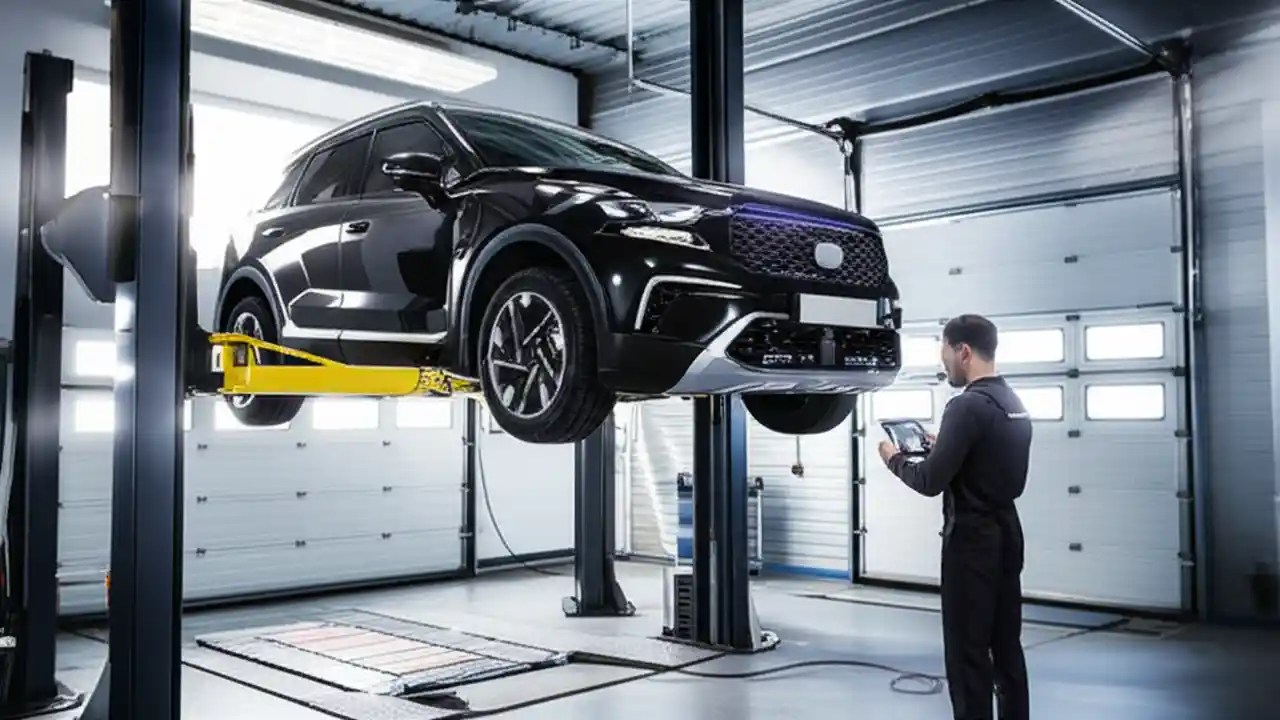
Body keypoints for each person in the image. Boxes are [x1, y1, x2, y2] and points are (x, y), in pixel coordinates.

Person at [877, 314, 1032, 720]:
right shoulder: (1013, 403)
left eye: (944, 351)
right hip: (1007, 535)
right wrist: (943, 443)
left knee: (968, 655)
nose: (943, 361)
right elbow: (985, 458)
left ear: (963, 351)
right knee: (1007, 648)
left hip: (972, 543)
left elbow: (929, 480)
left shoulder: (965, 407)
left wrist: (895, 460)